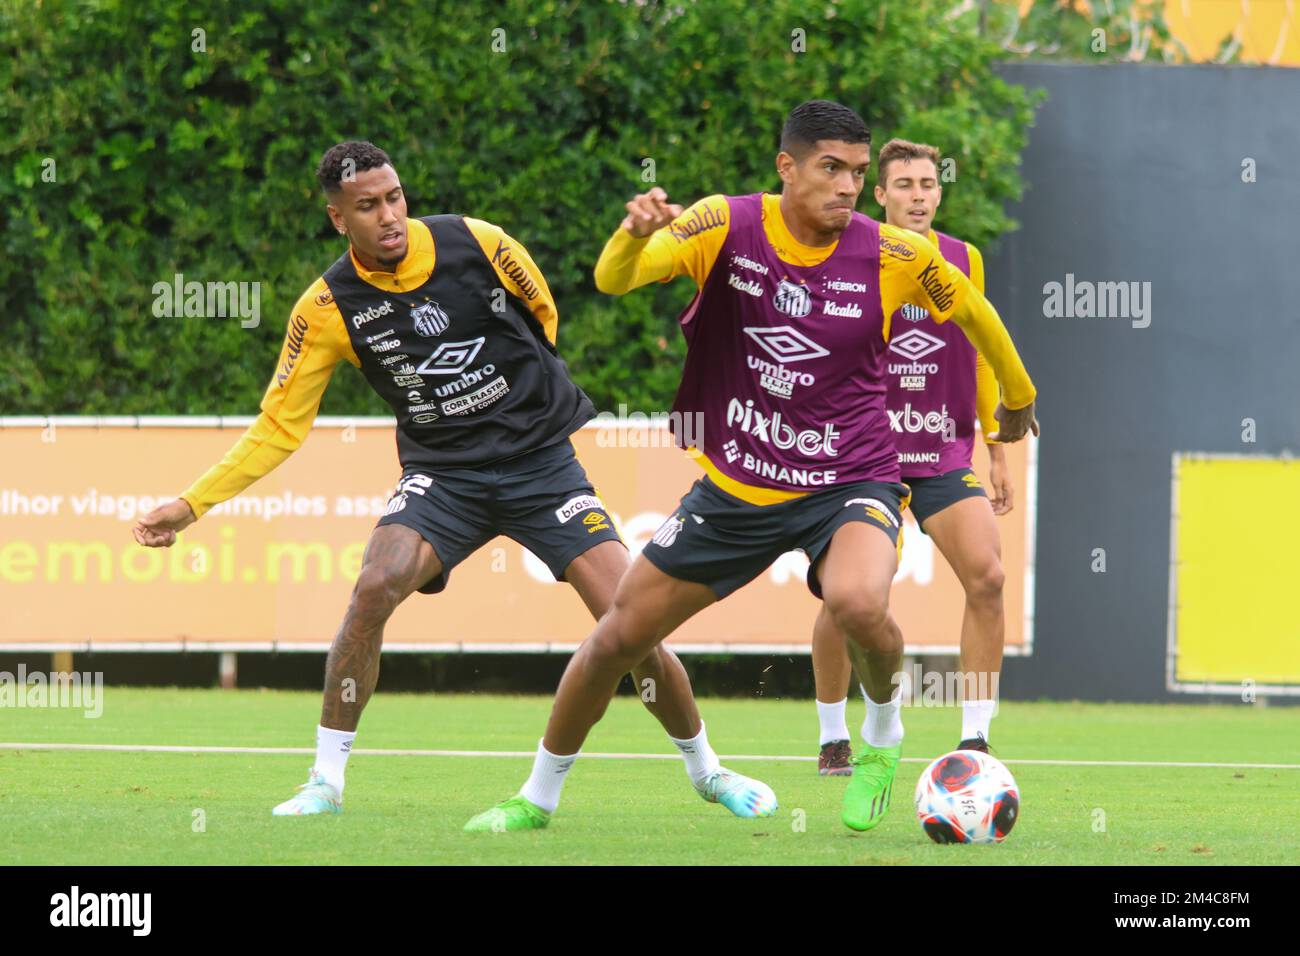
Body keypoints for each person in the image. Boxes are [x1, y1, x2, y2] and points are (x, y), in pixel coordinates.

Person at [132, 140, 768, 822]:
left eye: (395, 198)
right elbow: (278, 427)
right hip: (444, 477)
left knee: (629, 620)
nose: (389, 217)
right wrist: (191, 504)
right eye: (368, 207)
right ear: (337, 219)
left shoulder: (478, 241)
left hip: (542, 468)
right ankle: (325, 781)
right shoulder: (326, 307)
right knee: (375, 585)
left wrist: (527, 408)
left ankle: (707, 771)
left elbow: (543, 318)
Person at [467, 100, 1038, 834]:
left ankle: (883, 738)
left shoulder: (894, 255)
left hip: (850, 479)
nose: (848, 188)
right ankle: (536, 798)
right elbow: (616, 280)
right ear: (787, 166)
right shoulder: (725, 225)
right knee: (616, 638)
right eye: (831, 168)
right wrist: (630, 233)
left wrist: (1016, 400)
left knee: (859, 604)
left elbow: (976, 315)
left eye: (859, 174)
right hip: (738, 489)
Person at [811, 138, 1014, 776]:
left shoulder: (963, 259)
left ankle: (975, 740)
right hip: (866, 457)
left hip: (943, 451)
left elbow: (980, 354)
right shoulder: (852, 255)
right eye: (904, 184)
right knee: (847, 600)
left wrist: (997, 448)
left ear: (939, 191)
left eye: (928, 183)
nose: (919, 195)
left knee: (989, 577)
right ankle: (833, 735)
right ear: (881, 194)